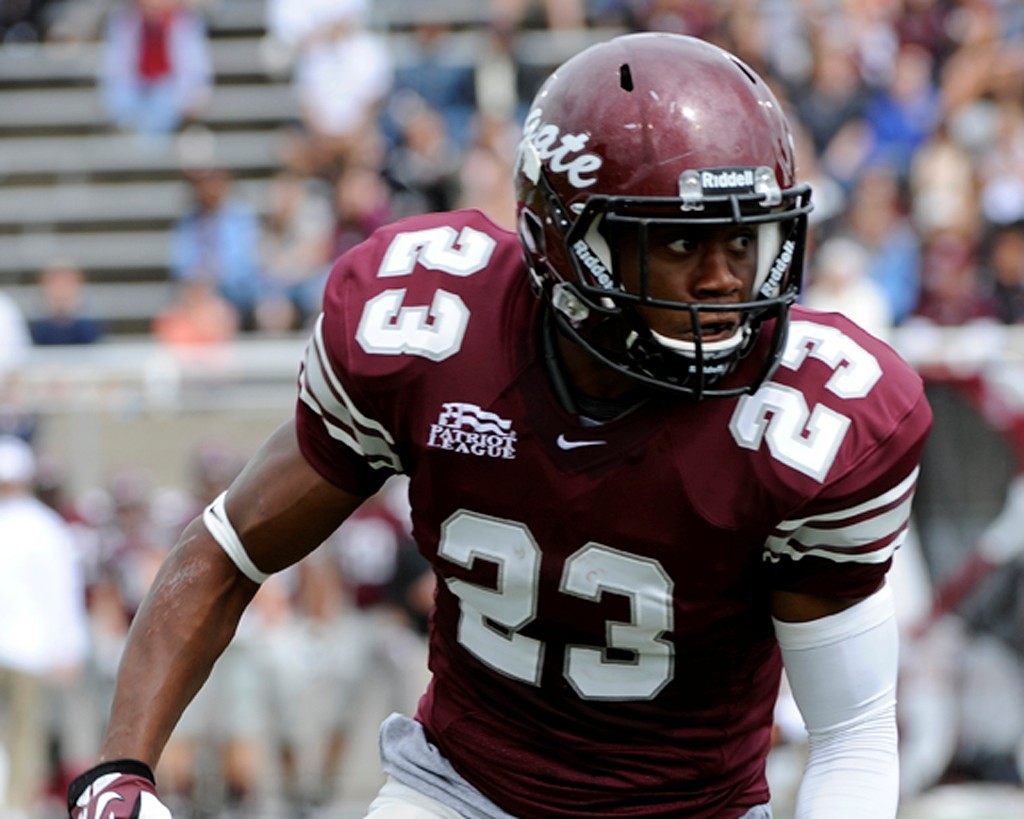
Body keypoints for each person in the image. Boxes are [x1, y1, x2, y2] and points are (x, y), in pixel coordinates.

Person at [67, 33, 932, 819]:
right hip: (463, 791)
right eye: (678, 244)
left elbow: (852, 728)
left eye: (743, 241)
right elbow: (228, 552)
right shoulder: (429, 334)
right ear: (563, 240)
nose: (724, 281)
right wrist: (118, 771)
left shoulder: (809, 420)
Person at [0, 435, 90, 815]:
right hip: (28, 650)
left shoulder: (42, 526)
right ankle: (15, 807)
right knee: (24, 734)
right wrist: (68, 649)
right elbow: (61, 593)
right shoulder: (46, 527)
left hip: (24, 648)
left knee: (20, 733)